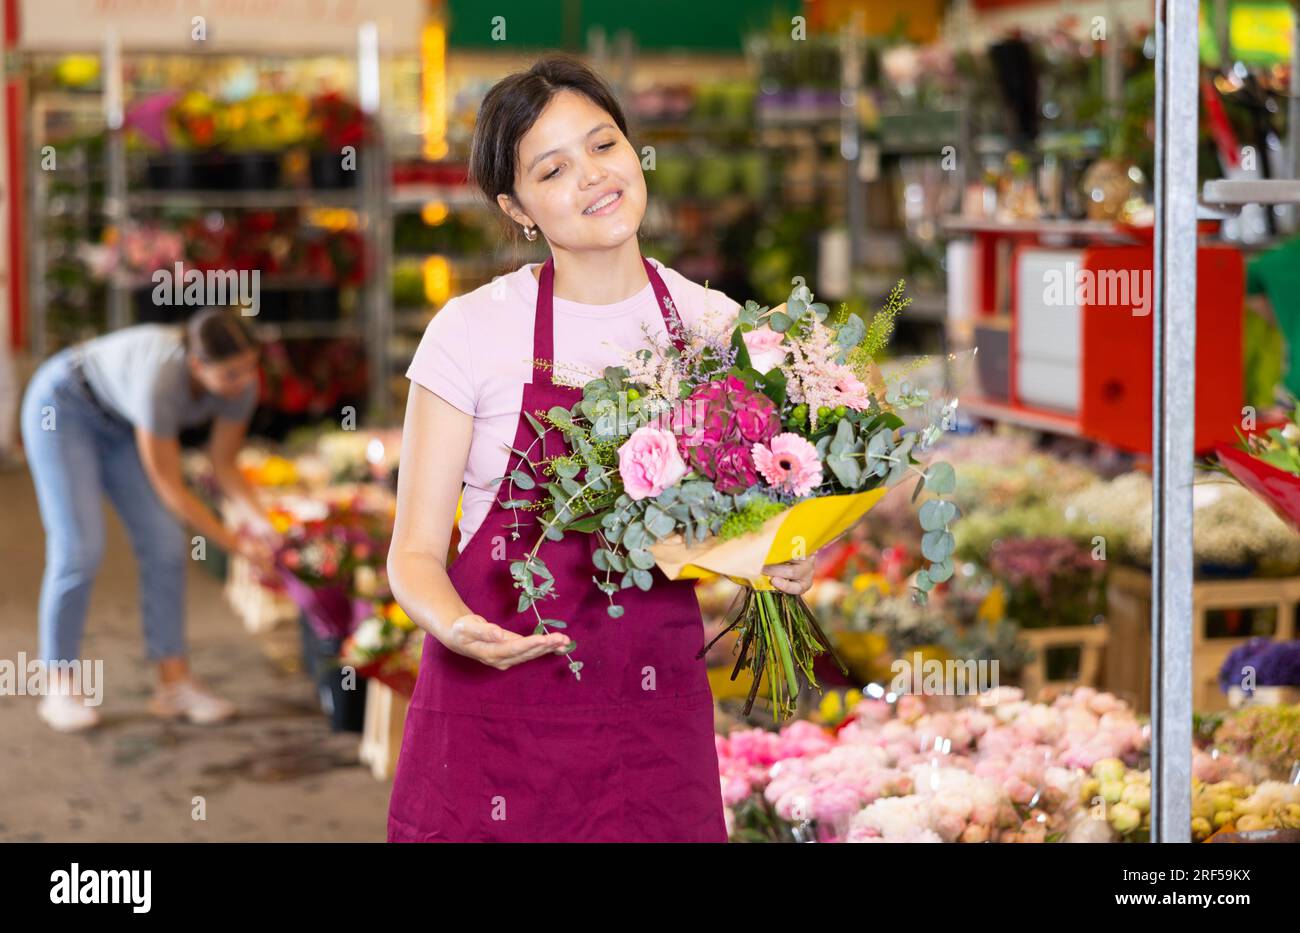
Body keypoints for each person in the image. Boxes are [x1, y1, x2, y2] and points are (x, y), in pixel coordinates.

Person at [385, 55, 816, 843]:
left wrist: (774, 555)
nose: (593, 177)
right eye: (553, 169)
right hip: (496, 707)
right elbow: (413, 552)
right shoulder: (472, 331)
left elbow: (723, 527)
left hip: (648, 717)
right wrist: (453, 625)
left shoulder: (714, 328)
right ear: (517, 207)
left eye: (604, 145)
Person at [21, 308, 278, 732]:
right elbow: (172, 487)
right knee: (80, 550)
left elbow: (224, 465)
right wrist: (236, 544)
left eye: (252, 367)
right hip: (63, 408)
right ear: (197, 365)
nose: (246, 381)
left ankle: (173, 685)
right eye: (232, 374)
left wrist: (266, 531)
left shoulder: (242, 384)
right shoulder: (162, 381)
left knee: (164, 542)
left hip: (121, 424)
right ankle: (59, 683)